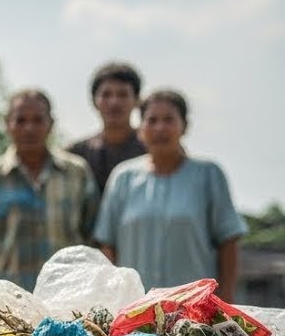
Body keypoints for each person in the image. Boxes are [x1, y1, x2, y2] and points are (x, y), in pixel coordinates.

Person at [92, 89, 247, 300]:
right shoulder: (123, 177)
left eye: (169, 120)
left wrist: (226, 298)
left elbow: (228, 241)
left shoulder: (209, 175)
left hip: (195, 308)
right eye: (152, 120)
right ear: (141, 129)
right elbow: (107, 245)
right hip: (134, 308)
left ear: (184, 126)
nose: (160, 128)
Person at [0, 88, 99, 294]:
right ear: (7, 124)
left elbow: (94, 239)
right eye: (20, 120)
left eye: (38, 120)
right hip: (4, 307)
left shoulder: (77, 173)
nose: (29, 128)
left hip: (67, 301)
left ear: (51, 124)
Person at [66, 61, 147, 201]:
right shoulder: (76, 154)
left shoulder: (153, 151)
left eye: (122, 95)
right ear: (94, 101)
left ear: (137, 101)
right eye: (106, 95)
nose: (114, 102)